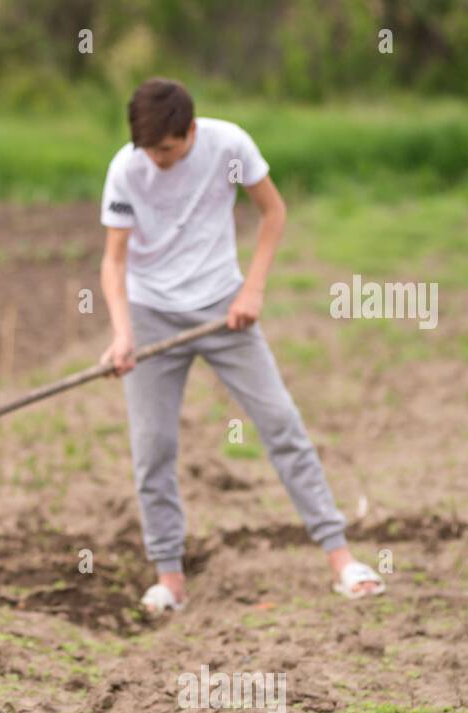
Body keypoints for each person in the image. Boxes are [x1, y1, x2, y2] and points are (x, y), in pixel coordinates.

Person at [97, 78, 385, 614]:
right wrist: (122, 334)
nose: (155, 160)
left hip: (224, 312)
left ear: (190, 132)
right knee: (153, 449)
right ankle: (170, 579)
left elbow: (272, 212)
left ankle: (341, 560)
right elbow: (113, 262)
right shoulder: (127, 167)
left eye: (166, 149)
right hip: (151, 318)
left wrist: (251, 289)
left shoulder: (229, 146)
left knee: (282, 424)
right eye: (147, 149)